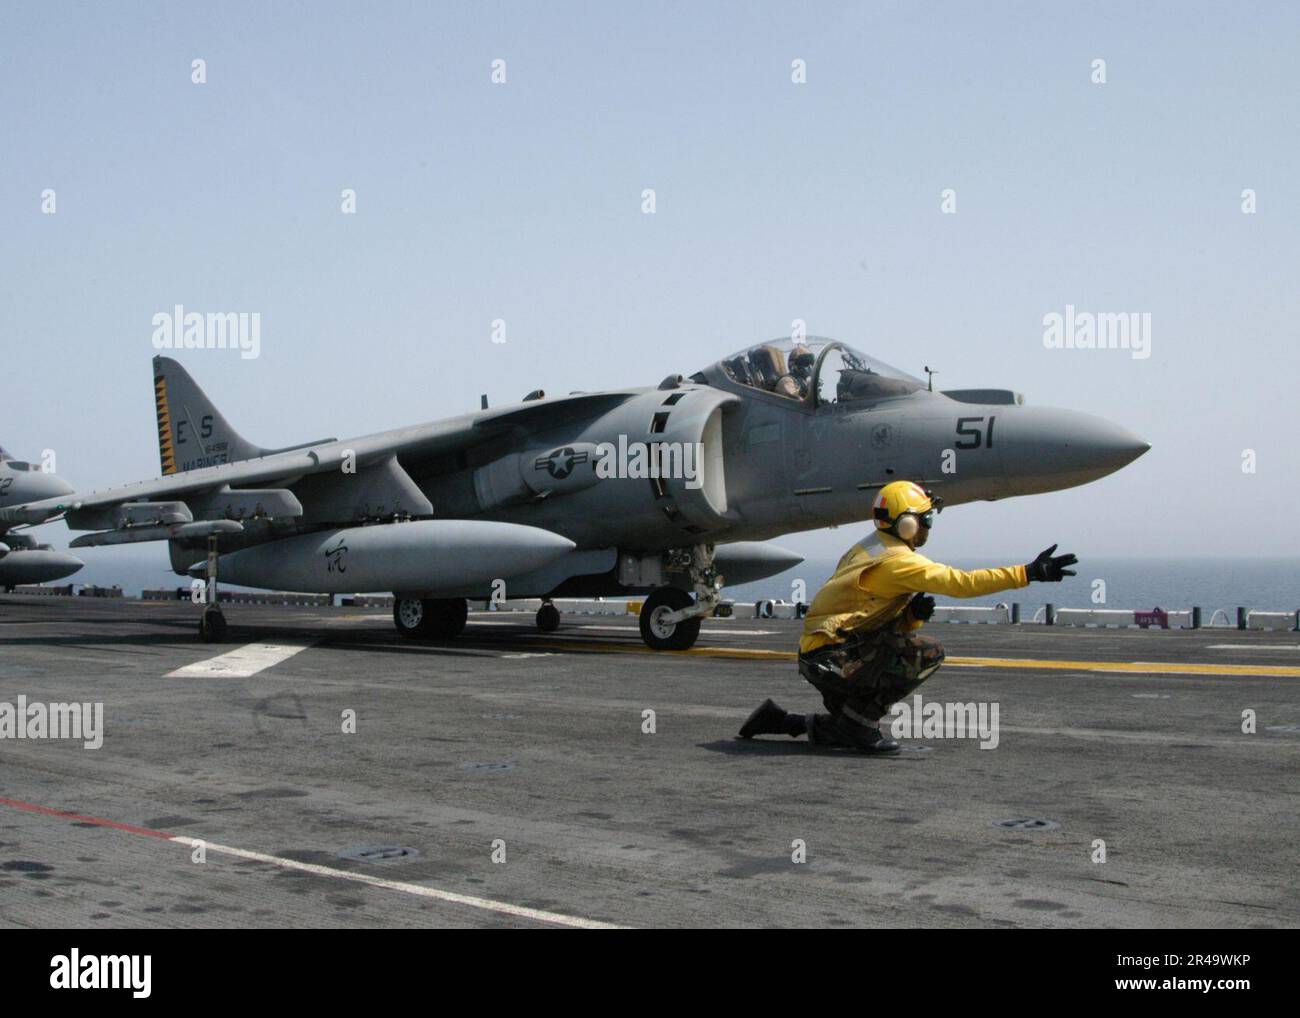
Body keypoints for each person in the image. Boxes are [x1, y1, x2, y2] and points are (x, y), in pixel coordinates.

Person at [738, 480, 1077, 753]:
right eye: (925, 520)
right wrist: (1028, 573)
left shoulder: (868, 547)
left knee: (845, 730)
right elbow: (962, 583)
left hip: (820, 658)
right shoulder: (900, 561)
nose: (928, 527)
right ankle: (859, 725)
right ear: (908, 523)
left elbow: (862, 617)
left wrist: (910, 617)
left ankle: (785, 722)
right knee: (927, 653)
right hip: (836, 662)